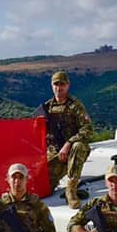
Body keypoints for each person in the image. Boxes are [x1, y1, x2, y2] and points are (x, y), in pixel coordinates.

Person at [39, 71, 93, 208]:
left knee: (79, 146)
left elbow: (87, 129)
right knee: (43, 189)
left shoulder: (75, 106)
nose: (59, 87)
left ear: (68, 85)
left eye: (62, 84)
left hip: (73, 151)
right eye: (56, 84)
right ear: (52, 86)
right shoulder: (46, 108)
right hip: (55, 151)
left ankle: (71, 189)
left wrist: (69, 143)